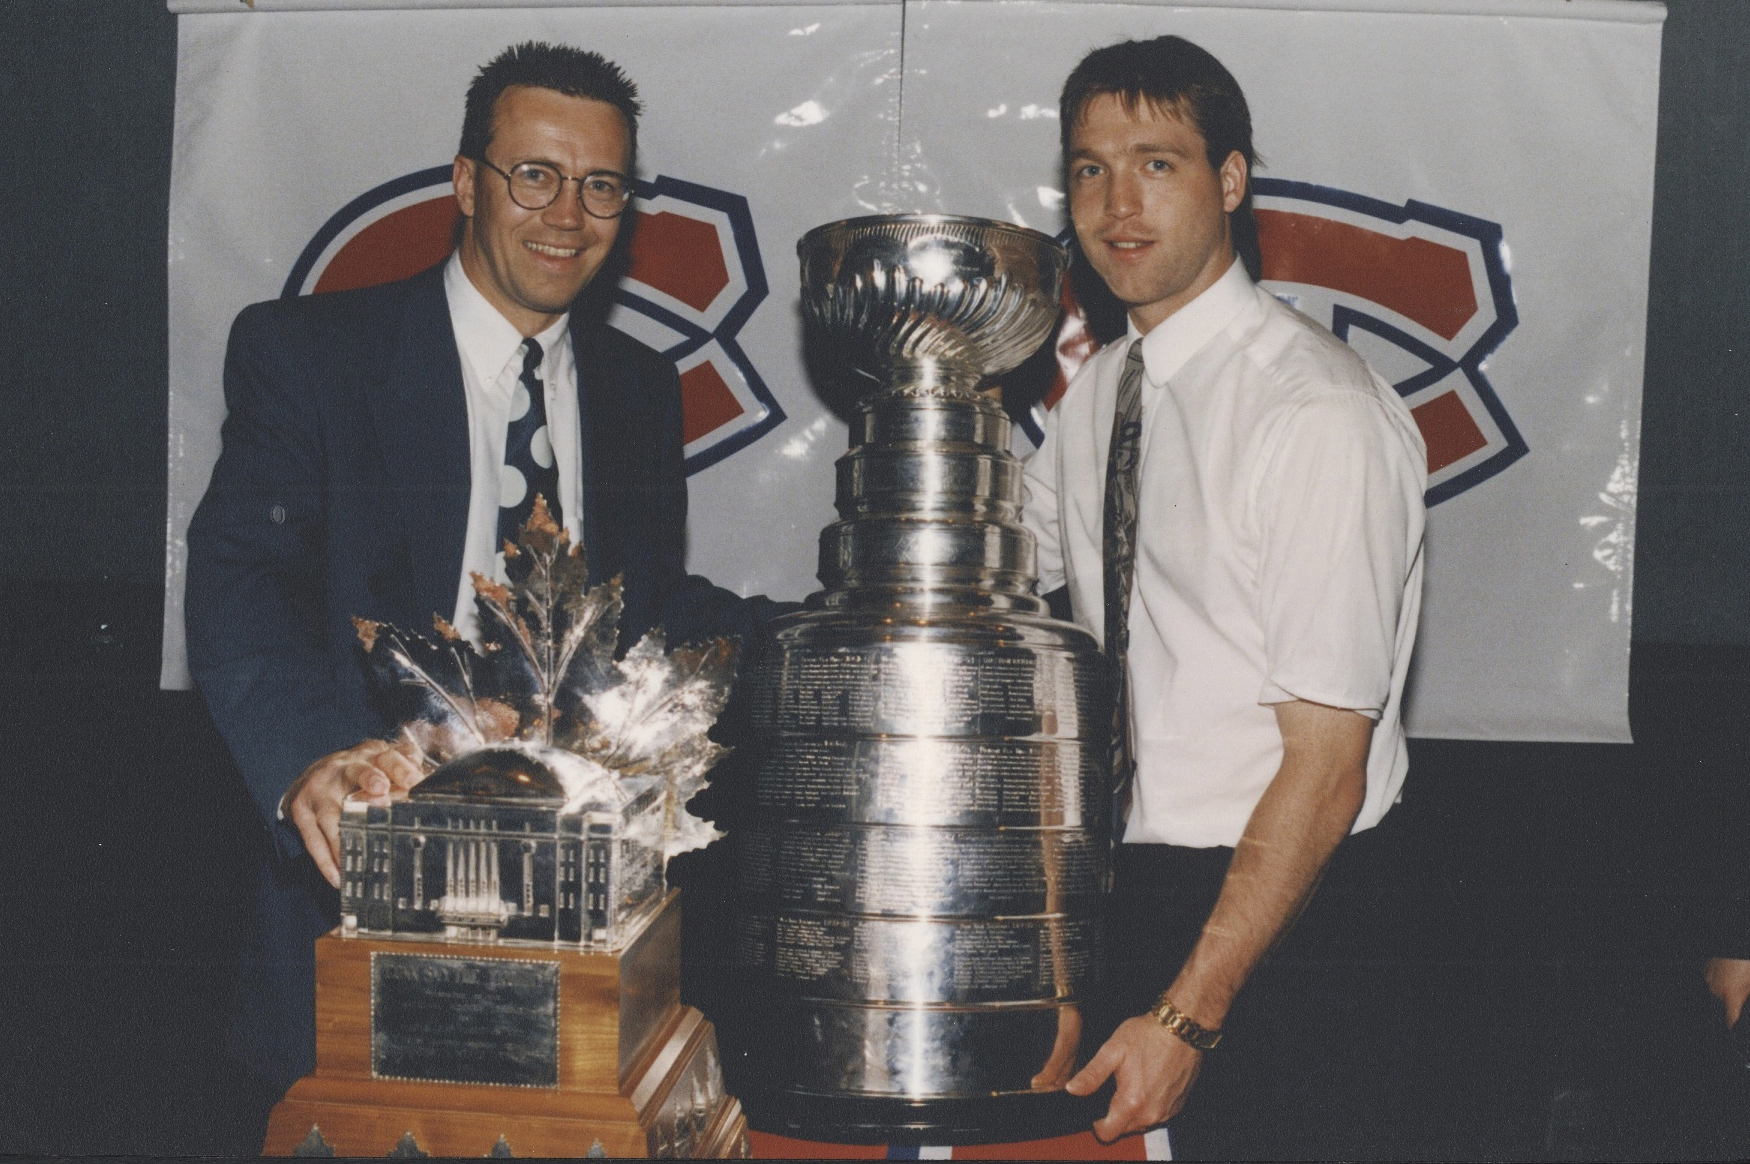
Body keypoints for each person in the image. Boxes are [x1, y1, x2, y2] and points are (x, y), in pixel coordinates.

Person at [185, 41, 783, 1100]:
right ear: (467, 182)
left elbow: (642, 609)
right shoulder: (311, 353)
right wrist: (312, 760)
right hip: (360, 887)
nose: (568, 215)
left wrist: (826, 634)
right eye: (535, 175)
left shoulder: (640, 389)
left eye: (601, 186)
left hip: (582, 919)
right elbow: (243, 578)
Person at [1020, 35, 1427, 1159]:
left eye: (1156, 163)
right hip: (1134, 890)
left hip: (1291, 916)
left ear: (1231, 180)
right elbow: (1003, 569)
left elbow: (1327, 766)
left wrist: (1189, 1016)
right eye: (1091, 169)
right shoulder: (1102, 390)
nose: (1117, 205)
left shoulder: (1317, 414)